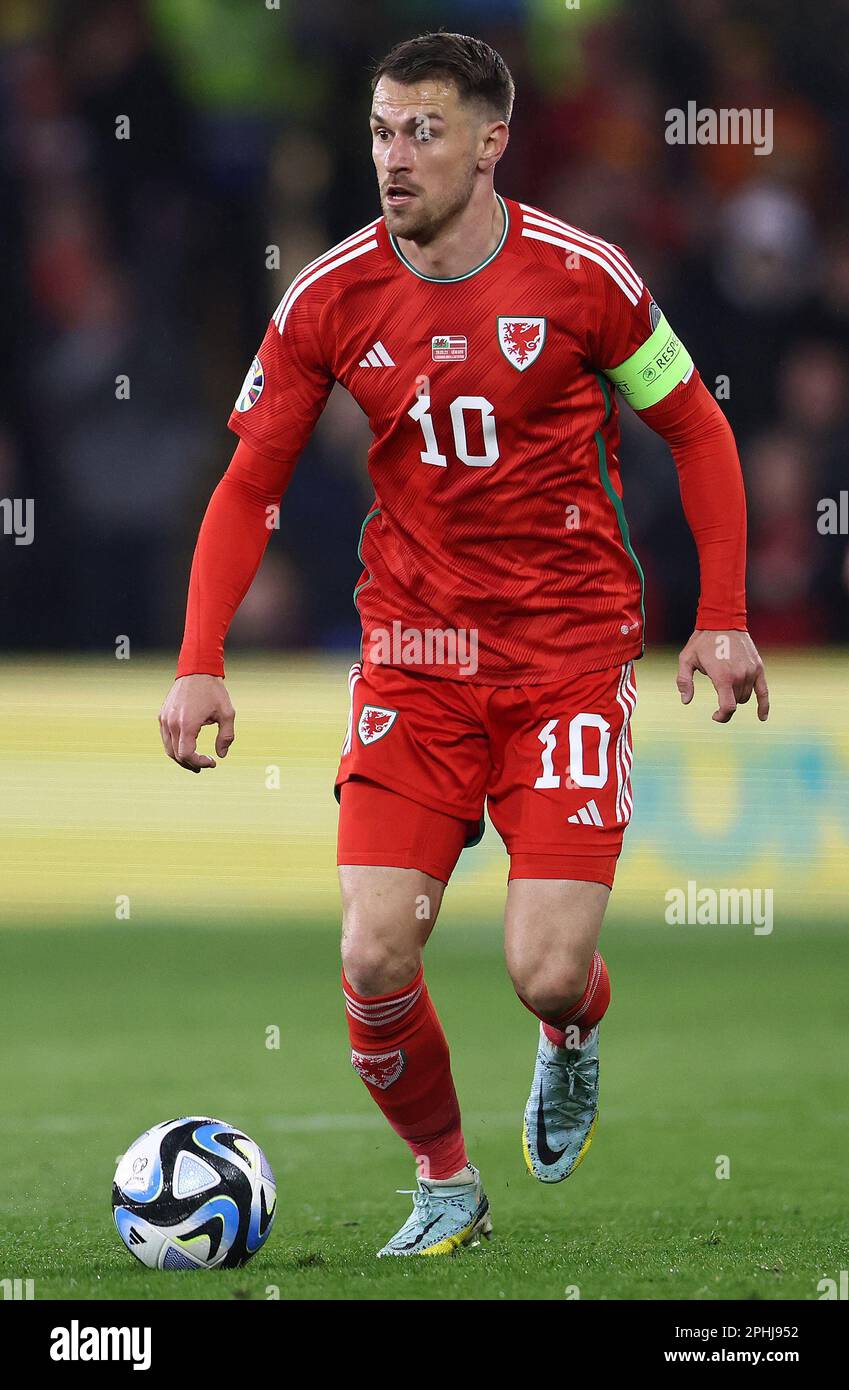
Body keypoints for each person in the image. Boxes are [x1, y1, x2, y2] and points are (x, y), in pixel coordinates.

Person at [159, 31, 769, 1258]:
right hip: (415, 660)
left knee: (544, 970)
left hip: (568, 657)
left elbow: (699, 432)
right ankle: (446, 1180)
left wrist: (723, 617)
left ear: (492, 141)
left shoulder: (584, 277)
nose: (396, 156)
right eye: (383, 130)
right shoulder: (327, 296)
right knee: (375, 948)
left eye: (424, 130)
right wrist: (196, 655)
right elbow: (247, 484)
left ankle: (572, 1030)